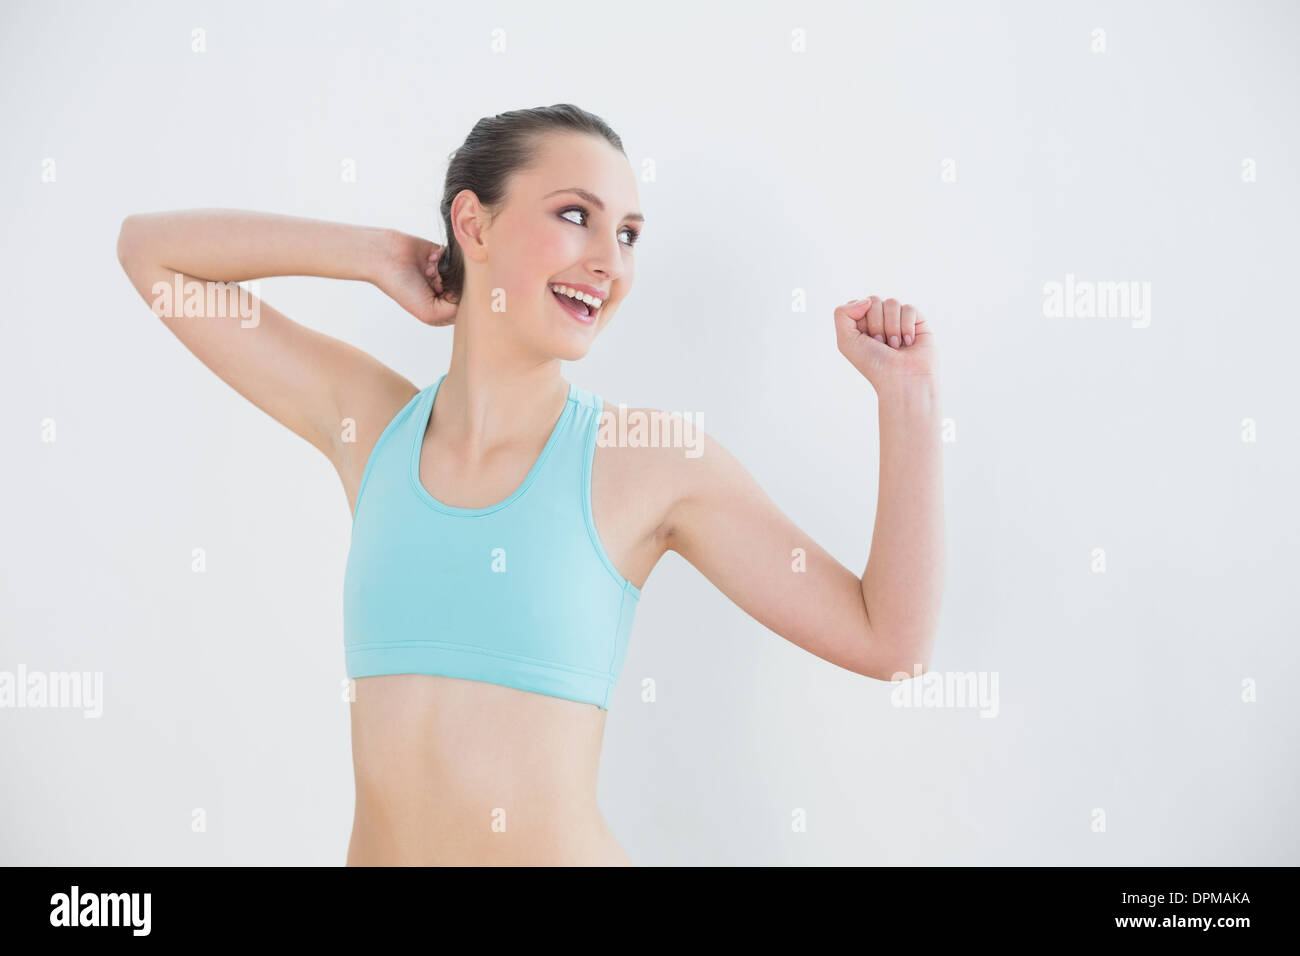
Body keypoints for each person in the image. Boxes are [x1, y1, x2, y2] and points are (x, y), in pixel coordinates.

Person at [115, 103, 945, 866]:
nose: (609, 261)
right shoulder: (370, 427)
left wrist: (906, 398)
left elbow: (889, 644)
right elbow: (149, 252)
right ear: (473, 223)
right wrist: (374, 255)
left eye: (628, 234)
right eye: (576, 215)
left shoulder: (649, 461)